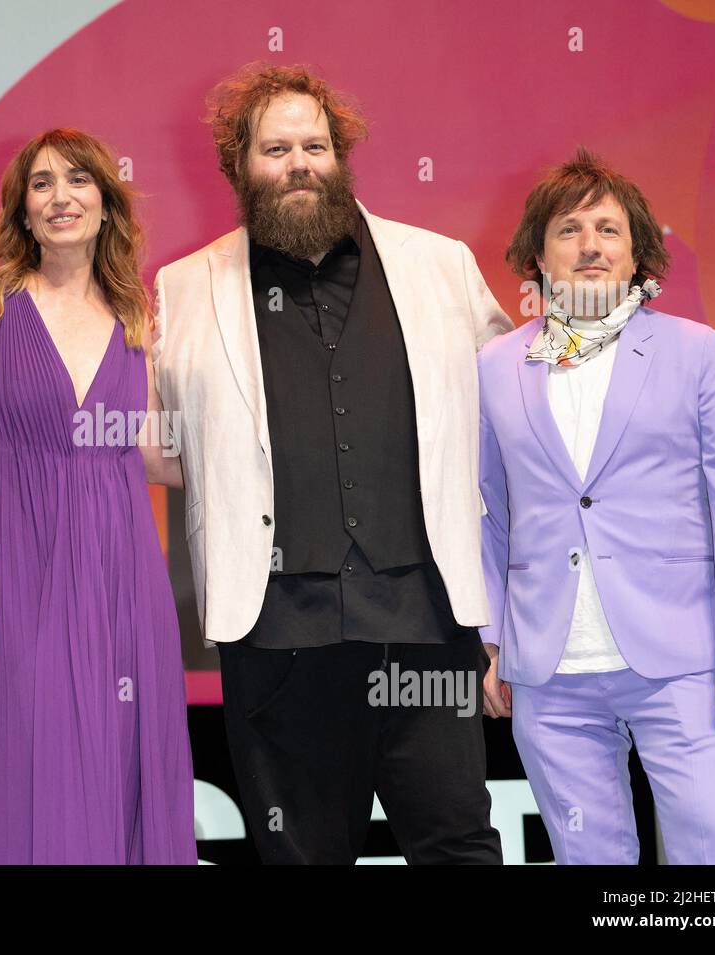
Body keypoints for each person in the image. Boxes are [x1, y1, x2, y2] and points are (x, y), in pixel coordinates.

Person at [152, 63, 511, 864]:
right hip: (277, 633)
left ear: (341, 154)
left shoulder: (440, 266)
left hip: (426, 622)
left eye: (315, 144)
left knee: (459, 844)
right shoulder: (184, 286)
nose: (299, 162)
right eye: (275, 148)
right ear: (238, 166)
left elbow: (512, 412)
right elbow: (160, 442)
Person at [478, 149, 715, 864]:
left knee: (712, 844)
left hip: (685, 659)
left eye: (608, 229)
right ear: (537, 256)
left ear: (637, 250)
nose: (589, 245)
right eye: (569, 229)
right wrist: (491, 640)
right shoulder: (493, 365)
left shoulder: (696, 350)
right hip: (550, 669)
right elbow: (485, 510)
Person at [0, 128, 196, 864]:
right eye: (42, 183)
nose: (61, 197)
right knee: (28, 743)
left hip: (123, 572)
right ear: (22, 211)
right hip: (20, 567)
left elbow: (155, 453)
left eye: (79, 180)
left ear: (105, 202)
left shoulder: (136, 319)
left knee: (121, 750)